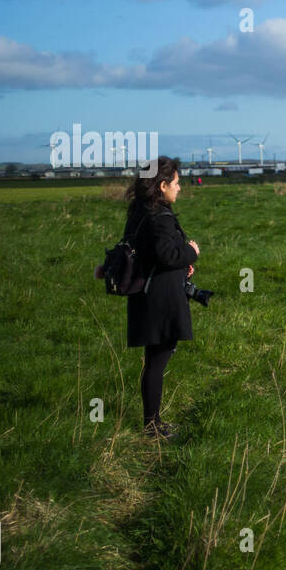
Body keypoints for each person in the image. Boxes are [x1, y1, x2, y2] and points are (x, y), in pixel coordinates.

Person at [122, 156, 200, 439]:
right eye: (177, 183)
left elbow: (151, 254)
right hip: (161, 299)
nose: (180, 189)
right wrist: (191, 252)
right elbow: (168, 255)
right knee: (156, 362)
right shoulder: (161, 217)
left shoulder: (140, 212)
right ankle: (152, 425)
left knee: (154, 359)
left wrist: (182, 264)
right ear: (163, 184)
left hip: (146, 295)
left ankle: (151, 421)